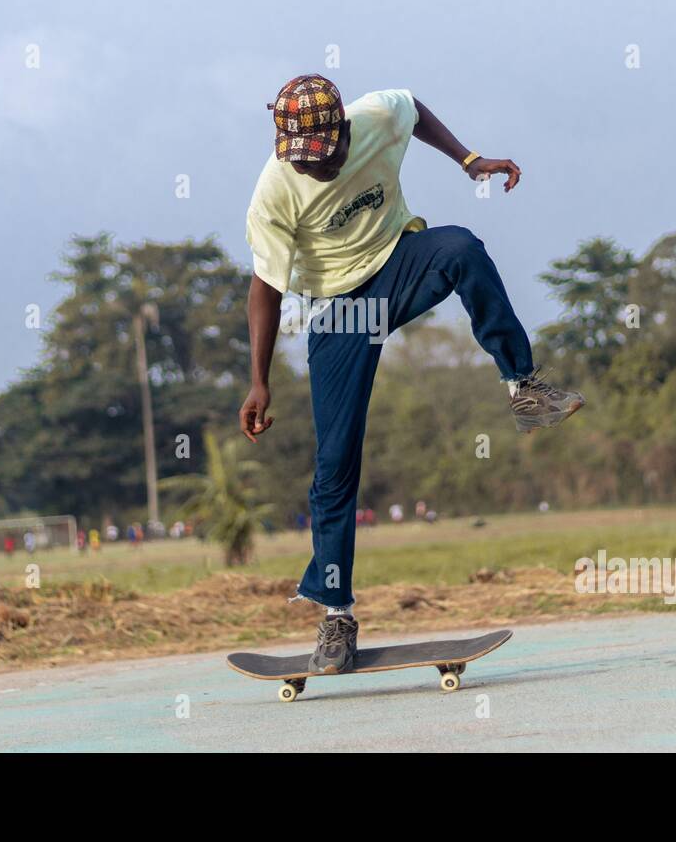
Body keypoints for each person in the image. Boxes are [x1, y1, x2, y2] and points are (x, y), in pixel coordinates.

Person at [239, 75, 584, 674]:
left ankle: (523, 387)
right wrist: (259, 381)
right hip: (342, 310)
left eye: (321, 160)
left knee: (461, 248)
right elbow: (265, 291)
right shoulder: (275, 191)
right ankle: (335, 616)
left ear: (343, 131)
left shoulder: (376, 116)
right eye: (300, 161)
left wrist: (469, 160)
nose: (311, 171)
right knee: (335, 465)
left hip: (400, 262)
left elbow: (414, 110)